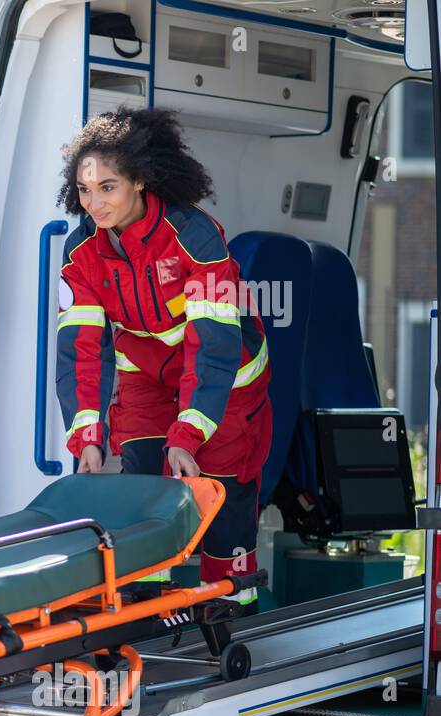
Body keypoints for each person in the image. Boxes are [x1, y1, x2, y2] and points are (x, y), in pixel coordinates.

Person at [54, 107, 271, 609]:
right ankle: (143, 608)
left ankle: (234, 607)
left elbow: (212, 342)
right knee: (143, 479)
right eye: (86, 190)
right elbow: (83, 350)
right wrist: (86, 436)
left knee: (219, 489)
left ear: (139, 181)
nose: (95, 202)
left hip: (227, 378)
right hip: (147, 378)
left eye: (108, 187)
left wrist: (190, 430)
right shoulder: (80, 251)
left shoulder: (195, 235)